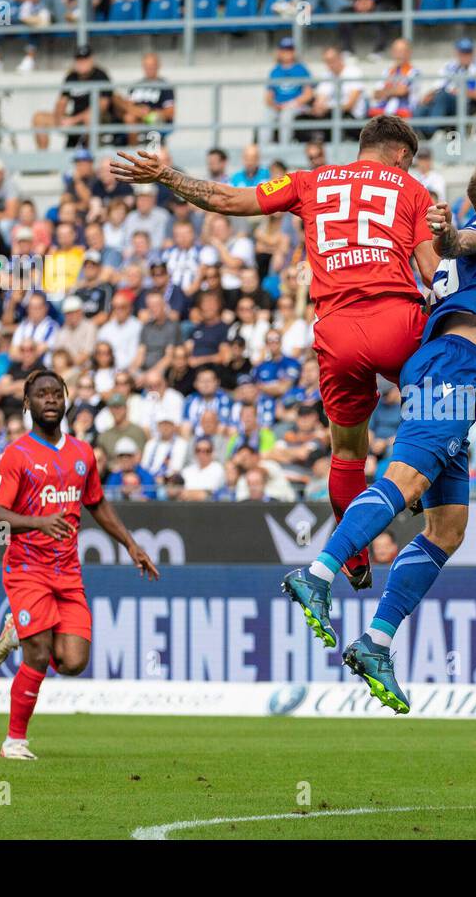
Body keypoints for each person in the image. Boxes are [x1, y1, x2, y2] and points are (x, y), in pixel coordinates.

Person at [112, 116, 441, 592]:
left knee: (347, 454)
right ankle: (418, 486)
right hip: (399, 323)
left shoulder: (313, 181)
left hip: (338, 330)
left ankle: (353, 559)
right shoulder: (411, 188)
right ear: (401, 156)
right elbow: (432, 273)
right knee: (443, 404)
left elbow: (228, 200)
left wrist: (166, 175)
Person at [280, 167, 476, 713]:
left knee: (447, 528)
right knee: (405, 479)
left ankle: (376, 641)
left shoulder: (467, 272)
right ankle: (318, 574)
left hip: (455, 368)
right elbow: (467, 237)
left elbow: (459, 286)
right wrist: (445, 233)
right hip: (450, 367)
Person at [0, 368, 160, 760]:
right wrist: (39, 522)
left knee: (74, 662)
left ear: (66, 401)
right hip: (27, 567)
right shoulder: (17, 454)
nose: (50, 399)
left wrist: (130, 544)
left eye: (56, 393)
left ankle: (14, 633)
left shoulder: (82, 454)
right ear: (27, 404)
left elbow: (95, 502)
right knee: (40, 655)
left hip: (68, 572)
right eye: (41, 394)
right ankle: (15, 741)